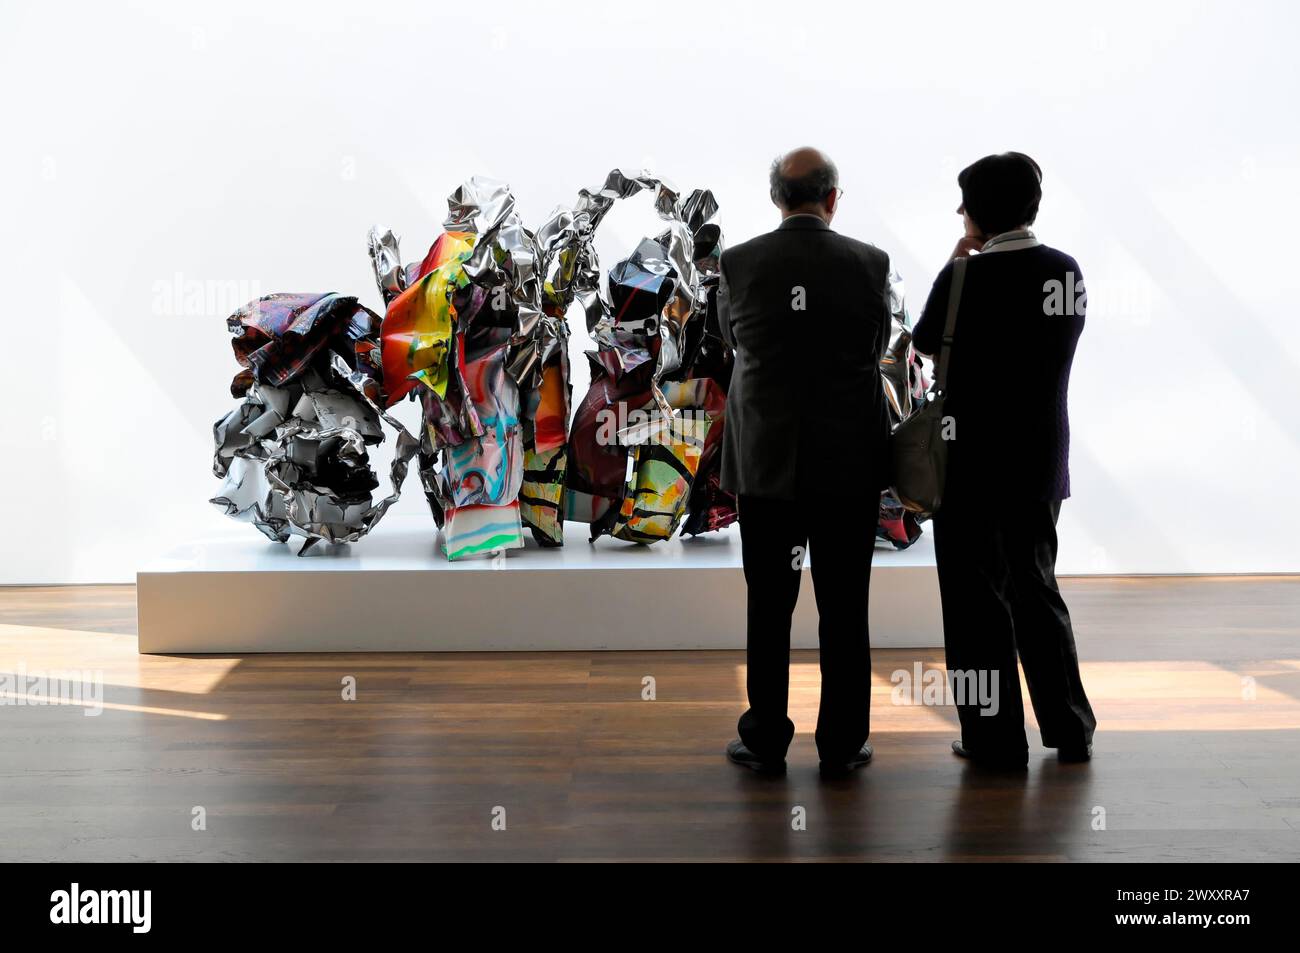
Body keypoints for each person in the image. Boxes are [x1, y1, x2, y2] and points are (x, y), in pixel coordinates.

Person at [912, 152, 1097, 769]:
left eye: (964, 203)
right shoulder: (1064, 272)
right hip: (1040, 455)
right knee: (1036, 589)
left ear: (978, 213)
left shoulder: (964, 278)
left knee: (973, 605)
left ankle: (993, 738)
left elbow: (922, 343)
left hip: (967, 462)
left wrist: (956, 263)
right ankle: (1069, 726)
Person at [718, 147, 893, 778]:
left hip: (765, 464)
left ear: (776, 198)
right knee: (845, 606)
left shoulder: (738, 263)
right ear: (833, 198)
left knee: (769, 604)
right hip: (848, 465)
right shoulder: (871, 264)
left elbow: (733, 340)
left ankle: (766, 738)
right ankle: (842, 743)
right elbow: (877, 349)